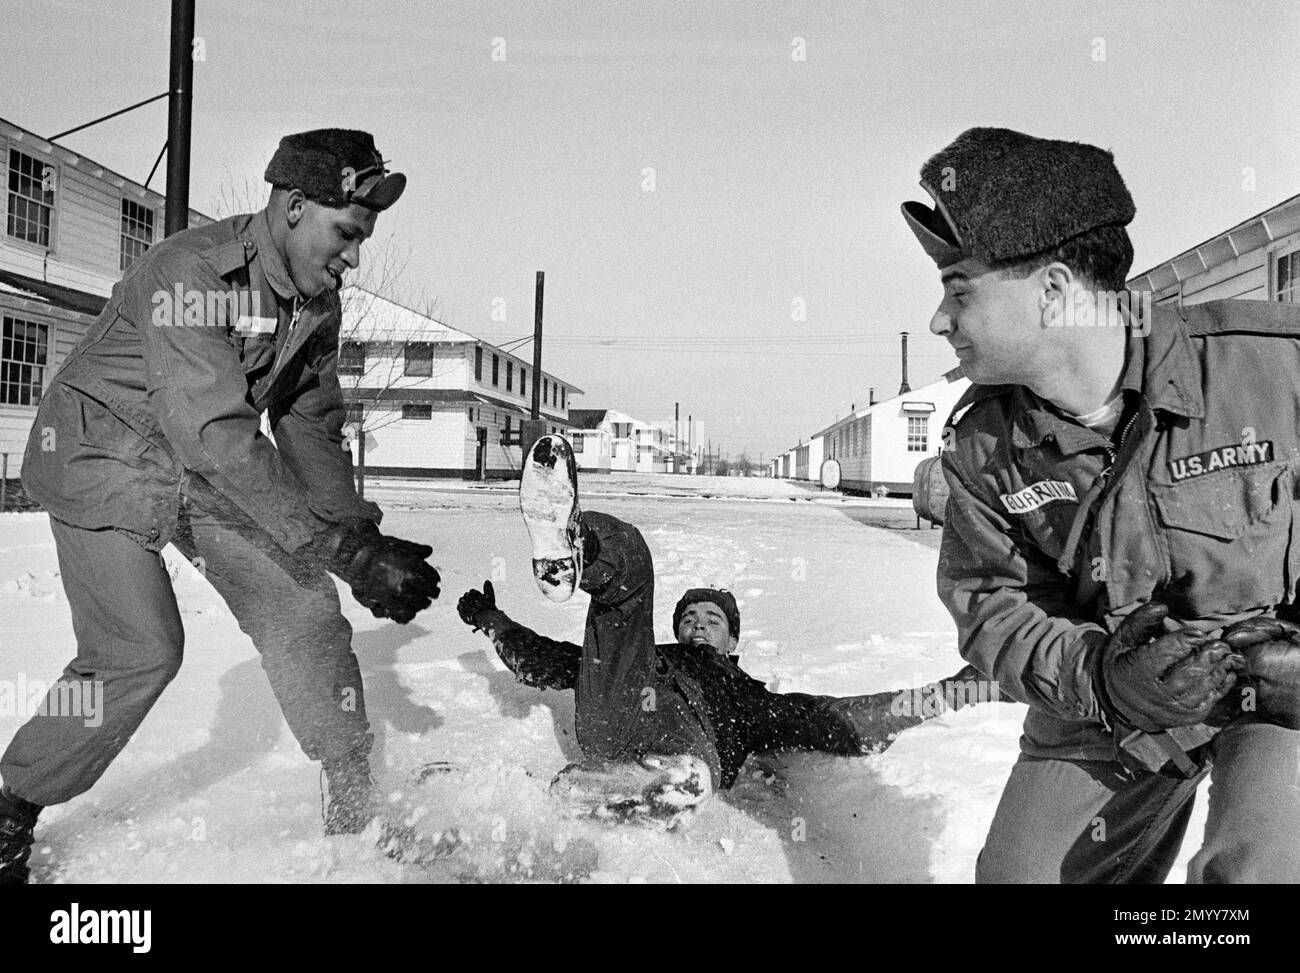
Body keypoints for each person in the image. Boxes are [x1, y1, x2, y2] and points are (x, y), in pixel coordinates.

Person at [0, 129, 441, 884]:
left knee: (303, 608)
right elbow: (216, 432)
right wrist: (339, 548)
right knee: (137, 648)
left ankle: (357, 804)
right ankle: (12, 804)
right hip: (99, 451)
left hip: (195, 464)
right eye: (346, 234)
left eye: (363, 238)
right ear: (295, 207)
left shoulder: (316, 303)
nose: (354, 256)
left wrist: (358, 538)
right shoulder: (190, 272)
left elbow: (309, 422)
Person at [902, 127, 1300, 882]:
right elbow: (995, 607)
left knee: (1265, 869)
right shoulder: (987, 445)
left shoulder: (1271, 369)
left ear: (1053, 291)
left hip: (1280, 689)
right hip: (1112, 697)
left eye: (960, 290)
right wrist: (1104, 679)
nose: (940, 320)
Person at [456, 435, 981, 826]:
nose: (697, 626)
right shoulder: (654, 656)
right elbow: (546, 663)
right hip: (619, 705)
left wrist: (951, 693)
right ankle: (574, 547)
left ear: (734, 642)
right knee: (633, 560)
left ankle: (612, 788)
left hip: (688, 745)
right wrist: (492, 621)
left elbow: (841, 721)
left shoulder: (749, 697)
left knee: (691, 771)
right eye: (688, 619)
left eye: (712, 620)